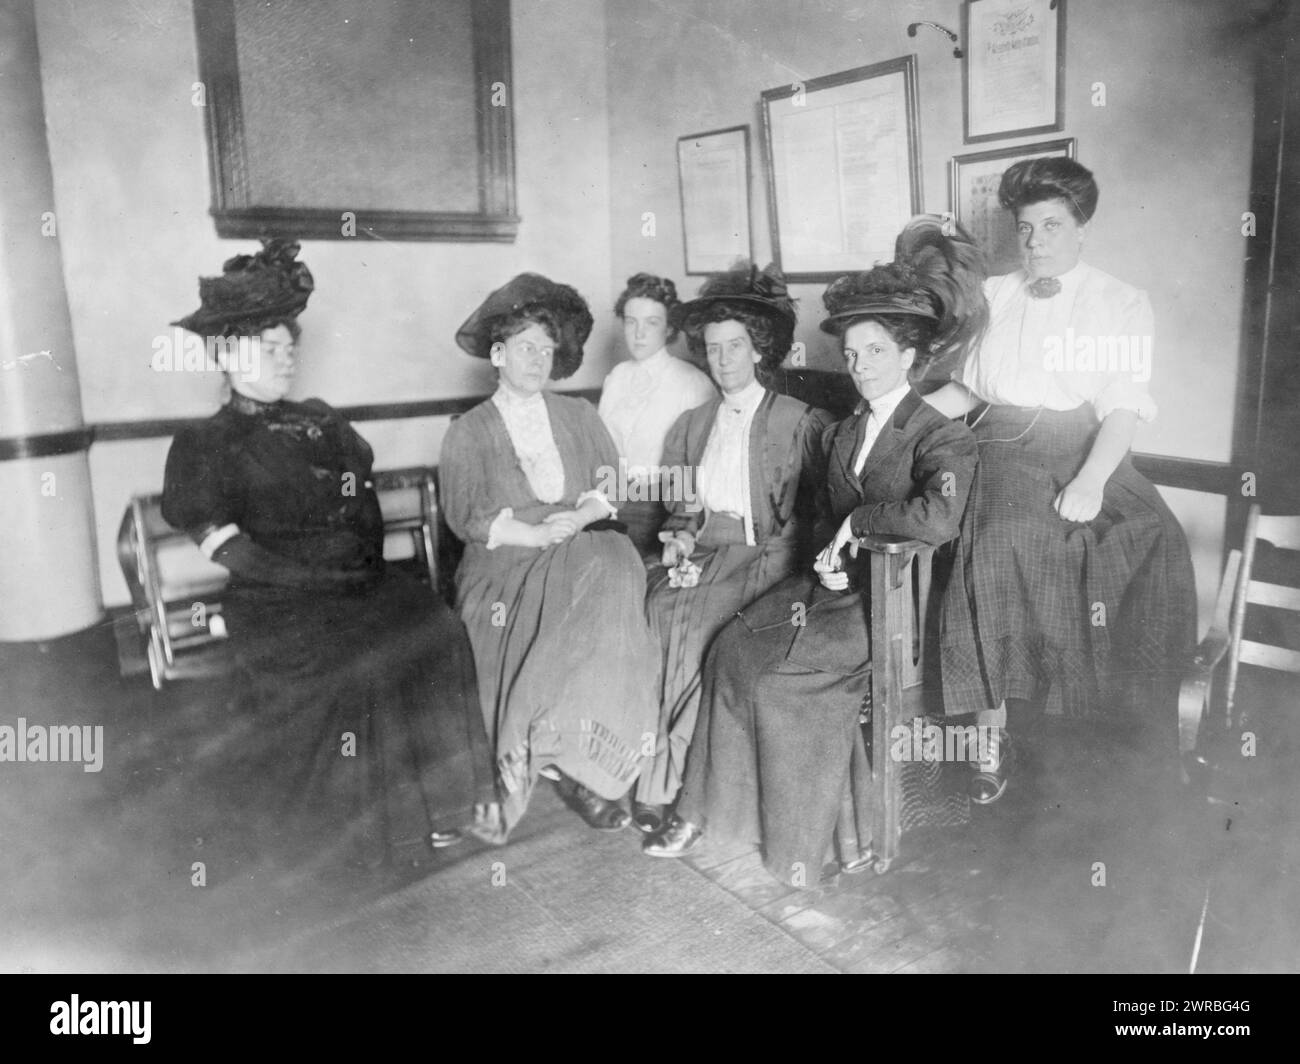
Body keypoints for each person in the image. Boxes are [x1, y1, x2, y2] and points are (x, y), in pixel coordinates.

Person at [645, 219, 983, 880]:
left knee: (776, 680)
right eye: (852, 354)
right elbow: (820, 521)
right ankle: (711, 811)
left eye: (875, 353)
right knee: (732, 649)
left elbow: (938, 517)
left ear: (909, 356)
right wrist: (828, 551)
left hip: (890, 611)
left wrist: (859, 526)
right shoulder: (843, 431)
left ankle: (811, 843)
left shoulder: (940, 436)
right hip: (829, 591)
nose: (859, 367)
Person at [160, 239, 496, 869]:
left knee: (436, 627)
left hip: (355, 583)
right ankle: (365, 836)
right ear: (228, 355)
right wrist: (313, 580)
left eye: (292, 347)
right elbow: (230, 548)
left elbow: (357, 498)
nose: (287, 359)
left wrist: (359, 564)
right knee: (359, 656)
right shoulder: (204, 443)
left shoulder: (321, 420)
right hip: (277, 601)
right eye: (270, 348)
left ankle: (445, 809)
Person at [922, 158, 1197, 799]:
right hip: (1000, 450)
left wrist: (1094, 480)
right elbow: (966, 391)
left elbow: (1122, 407)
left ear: (1082, 229)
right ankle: (990, 738)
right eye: (1025, 228)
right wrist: (898, 421)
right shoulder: (993, 295)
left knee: (1154, 536)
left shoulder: (1120, 301)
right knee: (1000, 541)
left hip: (1086, 448)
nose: (1036, 241)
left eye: (1051, 225)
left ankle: (1113, 735)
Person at [439, 273, 661, 840]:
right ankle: (543, 756)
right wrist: (535, 535)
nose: (537, 359)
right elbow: (468, 517)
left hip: (578, 543)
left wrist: (580, 517)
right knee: (595, 573)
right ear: (497, 354)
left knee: (614, 566)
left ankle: (587, 765)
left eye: (545, 349)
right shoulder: (468, 431)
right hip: (504, 562)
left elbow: (609, 484)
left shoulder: (578, 417)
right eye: (524, 348)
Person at [633, 263, 834, 834]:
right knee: (653, 612)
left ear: (758, 349)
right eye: (714, 348)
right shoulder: (693, 424)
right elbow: (682, 508)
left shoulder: (799, 422)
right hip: (701, 555)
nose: (723, 360)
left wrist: (775, 557)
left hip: (765, 560)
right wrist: (677, 537)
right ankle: (650, 773)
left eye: (735, 347)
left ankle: (680, 794)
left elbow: (816, 515)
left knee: (700, 633)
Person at [599, 273, 717, 555]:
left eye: (651, 323)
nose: (638, 333)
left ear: (668, 329)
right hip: (607, 498)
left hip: (658, 508)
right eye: (631, 322)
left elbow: (704, 467)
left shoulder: (691, 383)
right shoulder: (616, 377)